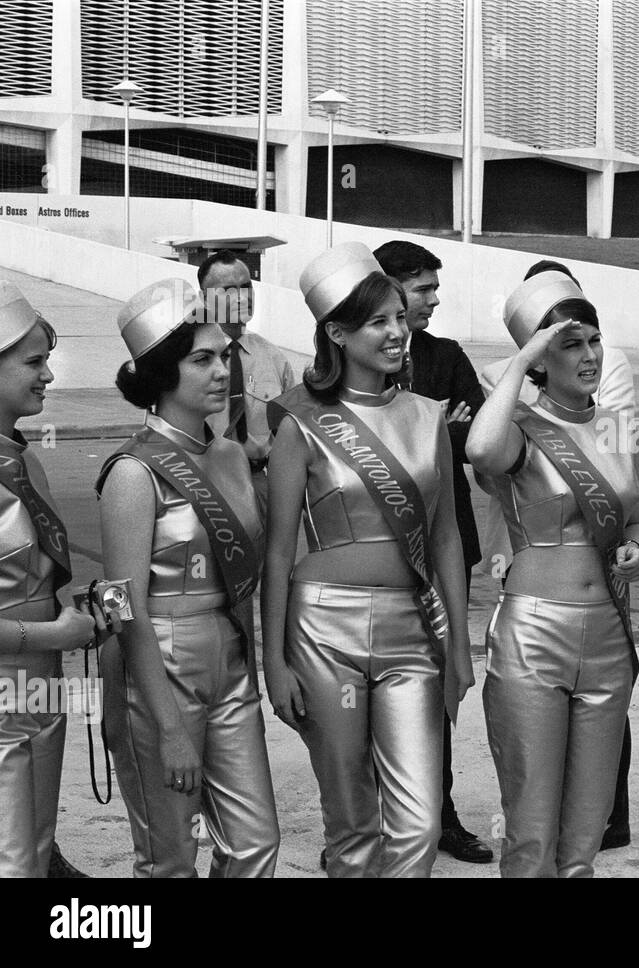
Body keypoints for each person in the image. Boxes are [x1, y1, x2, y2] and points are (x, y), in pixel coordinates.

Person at [261, 242, 473, 878]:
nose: (397, 334)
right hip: (323, 631)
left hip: (413, 631)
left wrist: (459, 644)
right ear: (337, 332)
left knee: (419, 820)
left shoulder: (428, 416)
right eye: (379, 321)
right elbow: (277, 550)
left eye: (400, 320)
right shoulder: (300, 423)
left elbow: (445, 541)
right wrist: (273, 660)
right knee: (351, 824)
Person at [467, 269, 639, 877]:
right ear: (541, 359)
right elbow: (480, 452)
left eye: (594, 340)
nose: (591, 355)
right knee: (531, 831)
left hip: (607, 640)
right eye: (571, 345)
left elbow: (637, 518)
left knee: (584, 835)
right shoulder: (518, 428)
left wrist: (636, 551)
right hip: (533, 638)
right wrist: (521, 363)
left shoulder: (621, 427)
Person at [97, 279, 279, 877]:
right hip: (159, 668)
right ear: (161, 374)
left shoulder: (229, 455)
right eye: (202, 359)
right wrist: (169, 729)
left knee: (255, 843)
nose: (222, 369)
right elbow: (125, 609)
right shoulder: (133, 471)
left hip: (230, 657)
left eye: (224, 355)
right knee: (171, 857)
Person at [373, 239, 491, 865]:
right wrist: (438, 428)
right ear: (387, 289)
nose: (434, 299)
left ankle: (437, 811)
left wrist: (448, 429)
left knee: (440, 677)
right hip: (376, 552)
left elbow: (475, 437)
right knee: (369, 684)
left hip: (446, 546)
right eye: (422, 289)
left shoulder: (446, 356)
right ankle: (366, 821)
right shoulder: (359, 357)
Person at [0, 283, 99, 879]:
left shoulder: (22, 457)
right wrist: (56, 636)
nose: (49, 377)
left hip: (39, 691)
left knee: (33, 850)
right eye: (34, 363)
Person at [199, 251, 297, 511]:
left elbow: (290, 434)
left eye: (246, 287)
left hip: (260, 485)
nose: (241, 297)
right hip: (202, 483)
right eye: (228, 290)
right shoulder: (187, 359)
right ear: (204, 299)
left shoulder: (274, 359)